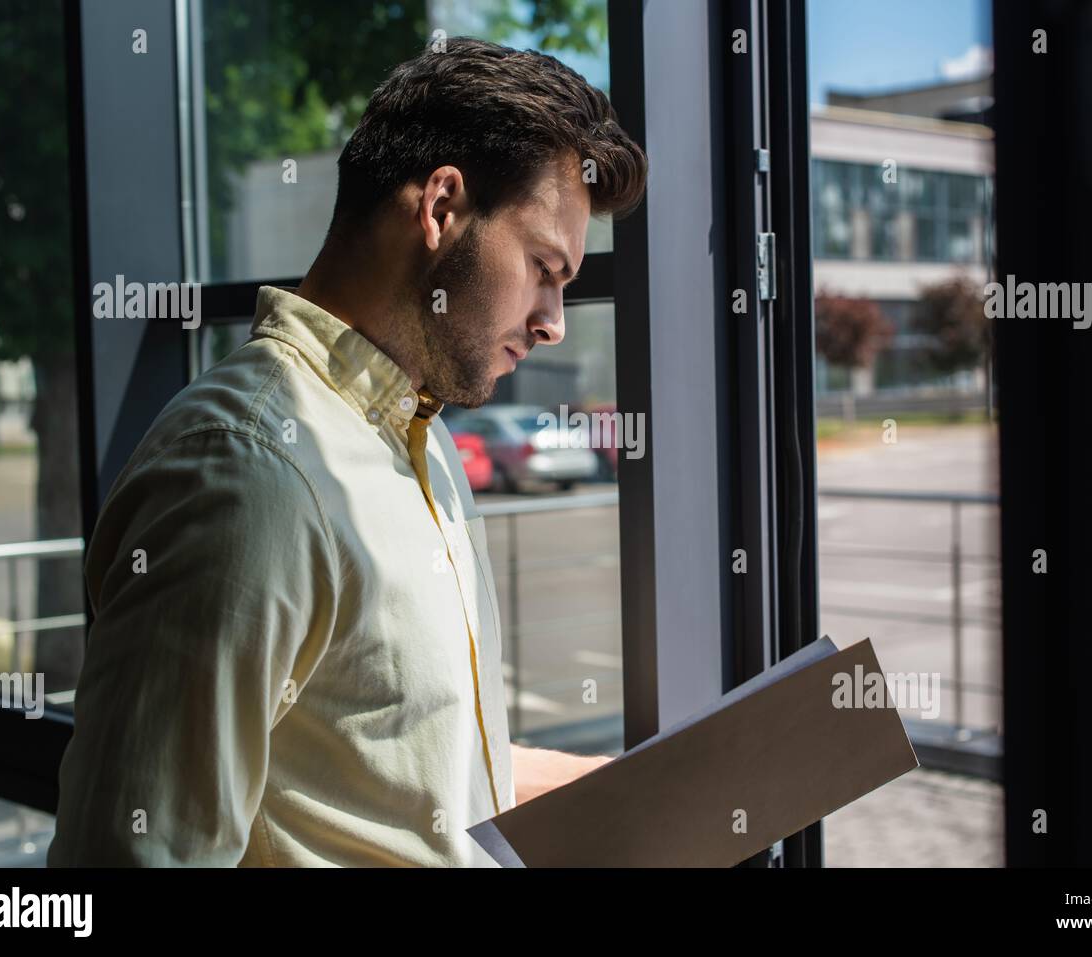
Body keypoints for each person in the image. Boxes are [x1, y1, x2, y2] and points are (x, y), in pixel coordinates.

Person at [47, 36, 648, 867]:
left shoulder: (422, 444)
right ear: (441, 207)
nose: (553, 319)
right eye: (545, 267)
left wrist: (661, 795)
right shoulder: (246, 472)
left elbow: (420, 785)